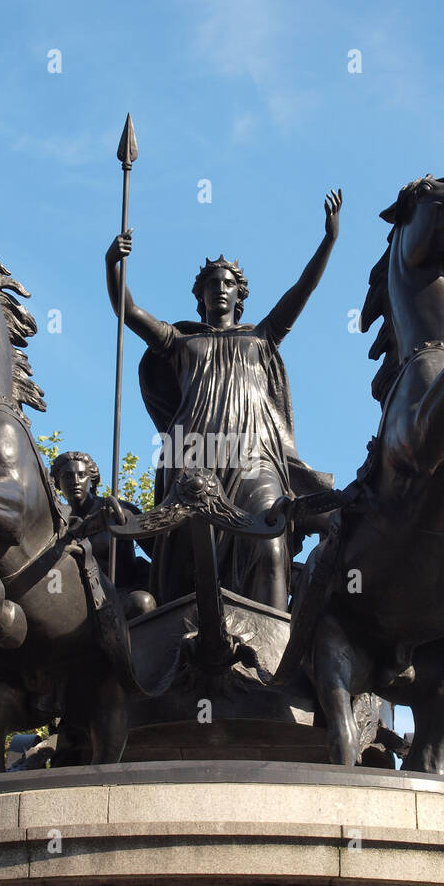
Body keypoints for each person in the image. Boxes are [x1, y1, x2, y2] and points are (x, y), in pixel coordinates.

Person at [104, 190, 341, 611]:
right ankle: (178, 644)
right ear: (200, 294)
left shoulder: (262, 337)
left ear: (239, 294)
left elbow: (302, 288)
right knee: (180, 565)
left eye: (228, 283)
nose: (220, 289)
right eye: (211, 283)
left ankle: (270, 649)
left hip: (255, 458)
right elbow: (127, 310)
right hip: (194, 455)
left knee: (269, 538)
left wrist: (328, 240)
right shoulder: (179, 341)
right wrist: (112, 265)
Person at [50, 451, 155, 617]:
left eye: (82, 475)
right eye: (68, 476)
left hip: (126, 594)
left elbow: (158, 549)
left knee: (142, 603)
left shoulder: (117, 510)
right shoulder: (57, 525)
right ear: (57, 483)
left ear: (92, 481)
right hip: (84, 605)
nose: (75, 482)